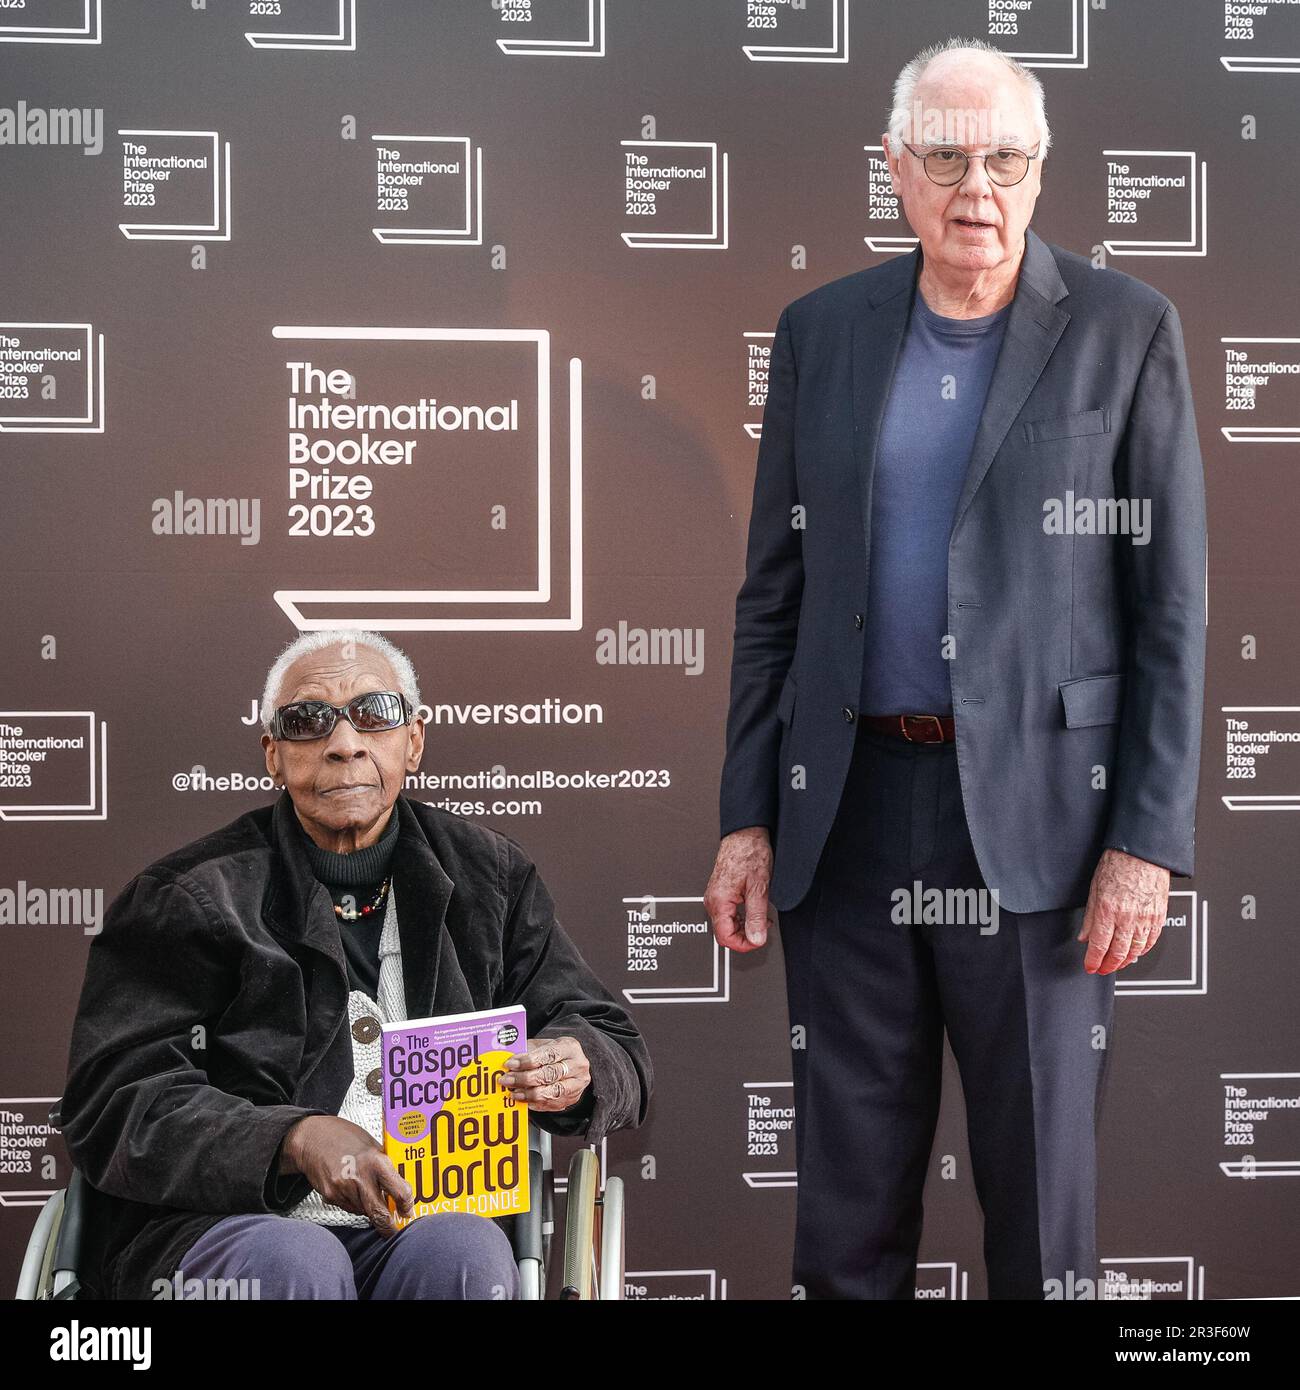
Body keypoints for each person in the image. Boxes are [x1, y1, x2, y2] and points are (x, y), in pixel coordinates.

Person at [705, 38, 1206, 1299]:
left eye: (1002, 158)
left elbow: (1169, 612)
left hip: (1043, 830)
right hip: (851, 820)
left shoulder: (1124, 329)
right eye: (942, 156)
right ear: (894, 168)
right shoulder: (821, 330)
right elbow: (774, 598)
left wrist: (1142, 841)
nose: (972, 186)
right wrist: (747, 819)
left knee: (1043, 1222)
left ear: (1040, 172)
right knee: (846, 1219)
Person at [61, 629, 652, 1299]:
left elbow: (617, 1046)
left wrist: (576, 1062)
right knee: (296, 1264)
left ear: (414, 743)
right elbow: (116, 1100)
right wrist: (291, 1139)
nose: (345, 743)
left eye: (374, 714)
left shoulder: (491, 877)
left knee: (465, 1251)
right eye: (309, 721)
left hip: (427, 1219)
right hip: (232, 1228)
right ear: (273, 757)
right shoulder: (190, 896)